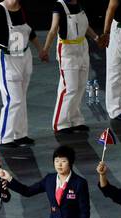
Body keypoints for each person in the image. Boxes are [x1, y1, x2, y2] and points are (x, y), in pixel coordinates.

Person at [0, 0, 42, 146]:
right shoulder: (0, 9)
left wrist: (40, 49)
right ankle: (4, 137)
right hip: (8, 58)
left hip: (24, 56)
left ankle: (20, 134)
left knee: (21, 98)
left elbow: (30, 31)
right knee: (13, 100)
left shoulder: (22, 7)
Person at [45, 0, 98, 131]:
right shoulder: (59, 6)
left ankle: (75, 119)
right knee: (70, 87)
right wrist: (45, 49)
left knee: (80, 86)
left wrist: (96, 38)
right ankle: (60, 123)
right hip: (67, 49)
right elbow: (53, 30)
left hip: (82, 48)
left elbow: (85, 26)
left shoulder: (79, 4)